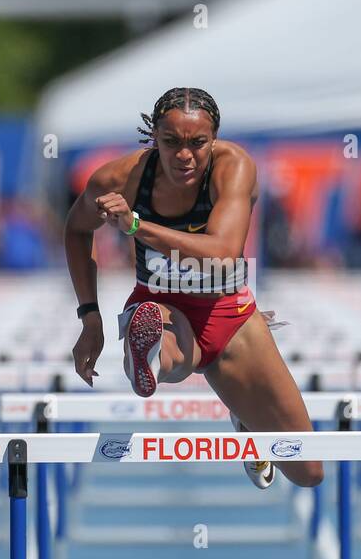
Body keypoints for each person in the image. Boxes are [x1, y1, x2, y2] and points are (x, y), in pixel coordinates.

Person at [64, 87, 322, 491]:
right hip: (162, 308)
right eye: (171, 143)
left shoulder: (234, 167)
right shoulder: (120, 178)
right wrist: (90, 318)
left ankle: (244, 421)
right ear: (154, 139)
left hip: (229, 315)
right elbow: (76, 229)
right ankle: (144, 357)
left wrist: (135, 226)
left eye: (197, 143)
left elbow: (222, 249)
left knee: (307, 471)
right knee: (161, 353)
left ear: (214, 139)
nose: (184, 155)